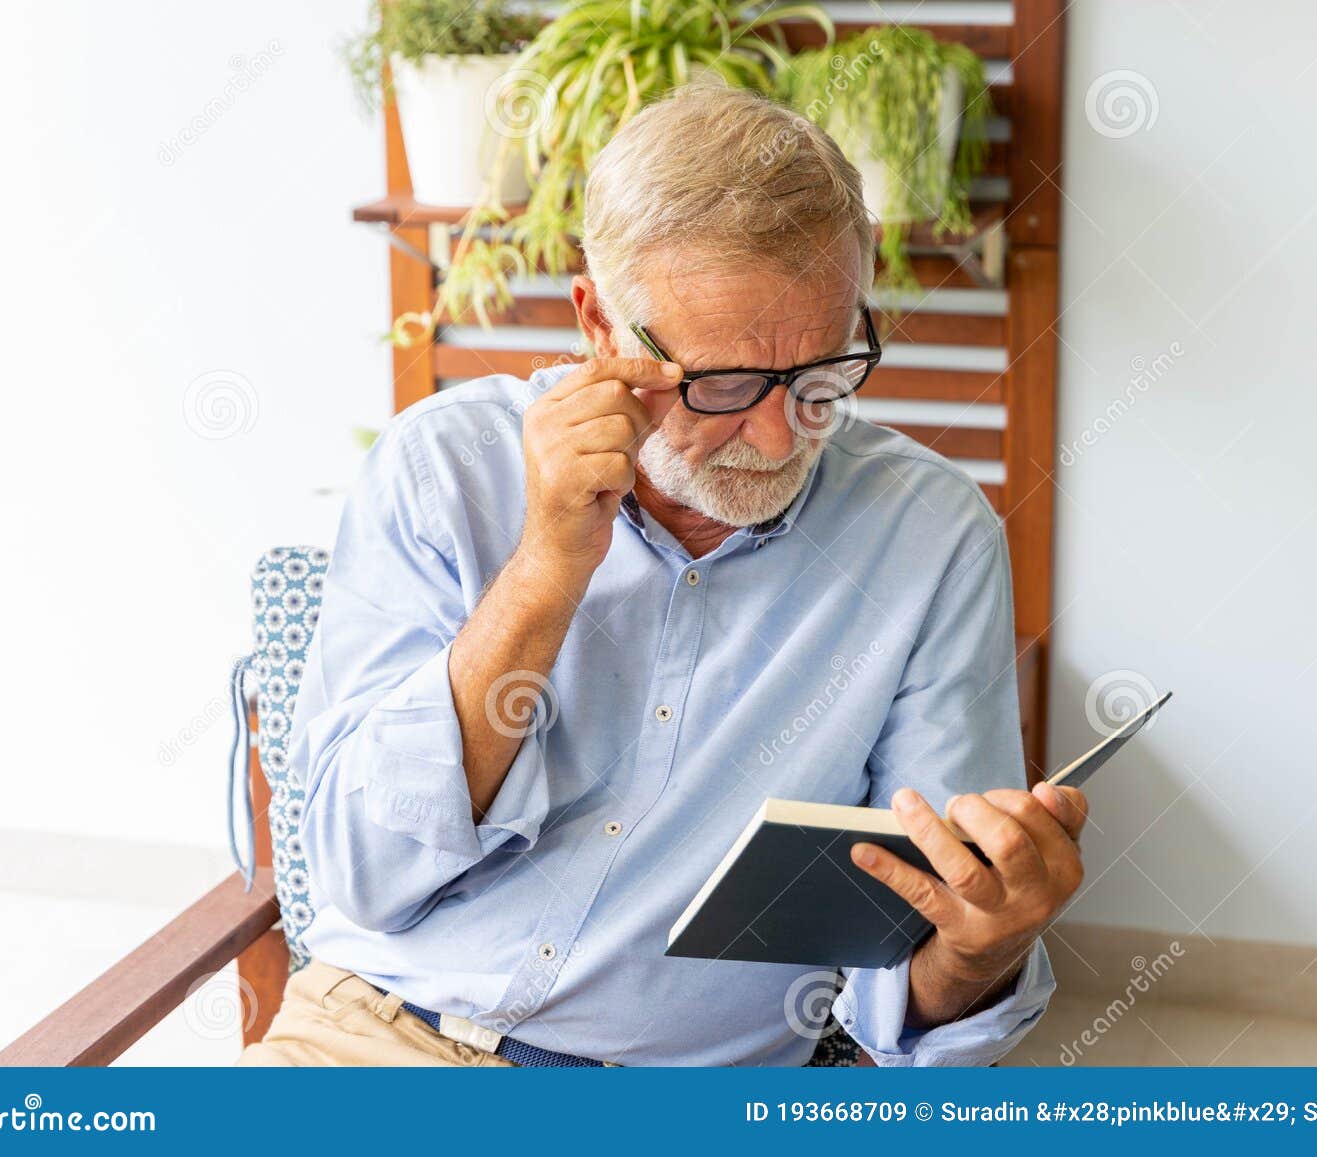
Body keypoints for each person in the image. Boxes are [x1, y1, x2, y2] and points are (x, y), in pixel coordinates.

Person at [240, 84, 1086, 1068]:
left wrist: (982, 947)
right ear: (599, 323)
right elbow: (364, 870)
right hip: (376, 1034)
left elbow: (909, 980)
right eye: (723, 383)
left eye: (822, 373)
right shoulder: (444, 465)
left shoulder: (930, 537)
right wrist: (547, 566)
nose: (779, 437)